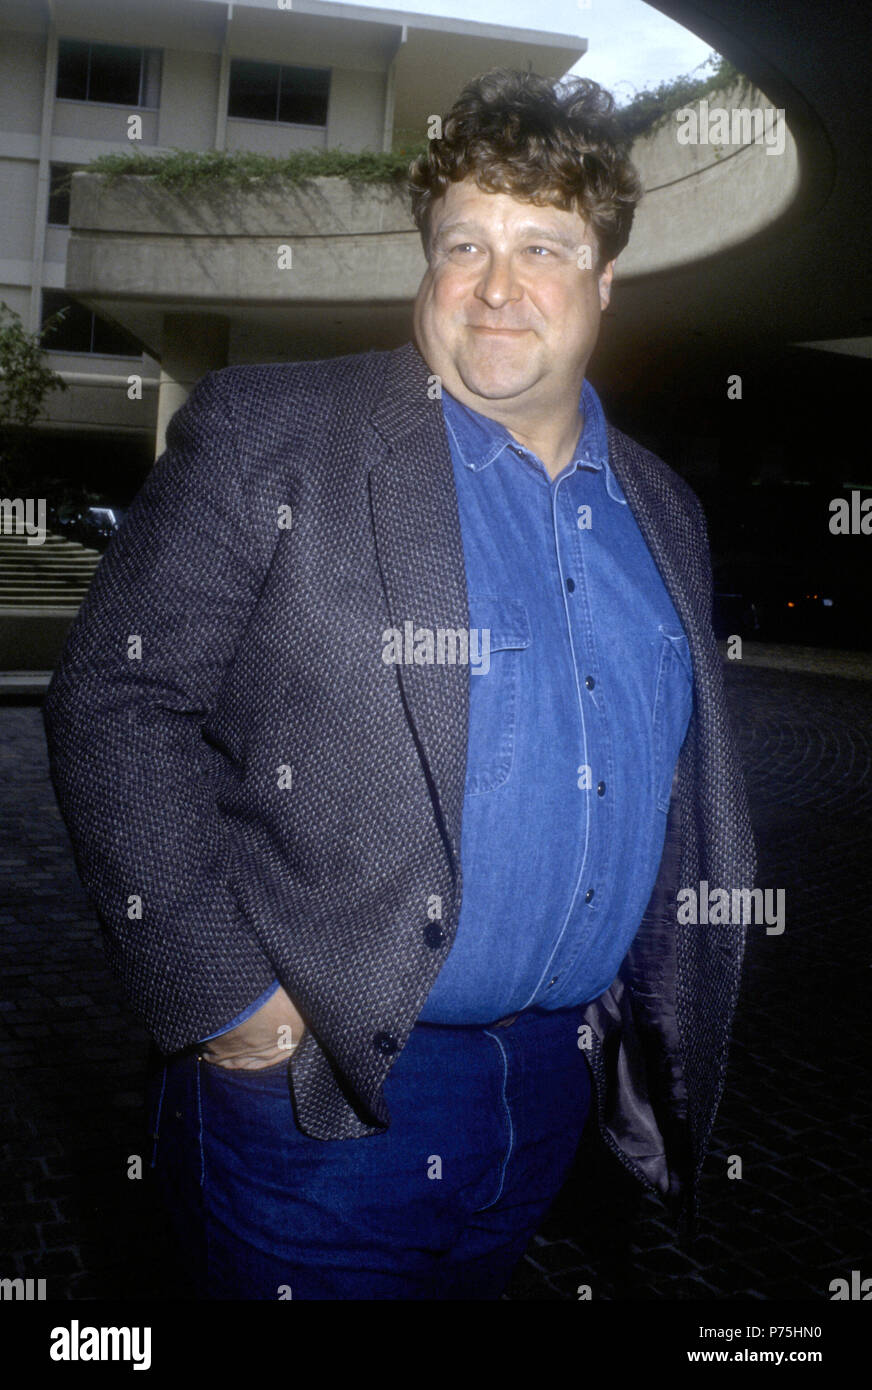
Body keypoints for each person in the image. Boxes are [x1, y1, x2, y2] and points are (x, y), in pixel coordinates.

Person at [42, 68, 756, 1301]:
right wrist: (227, 996)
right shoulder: (276, 431)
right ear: (423, 263)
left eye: (542, 245)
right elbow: (116, 700)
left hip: (552, 1090)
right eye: (462, 241)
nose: (494, 284)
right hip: (319, 1094)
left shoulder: (663, 508)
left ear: (603, 283)